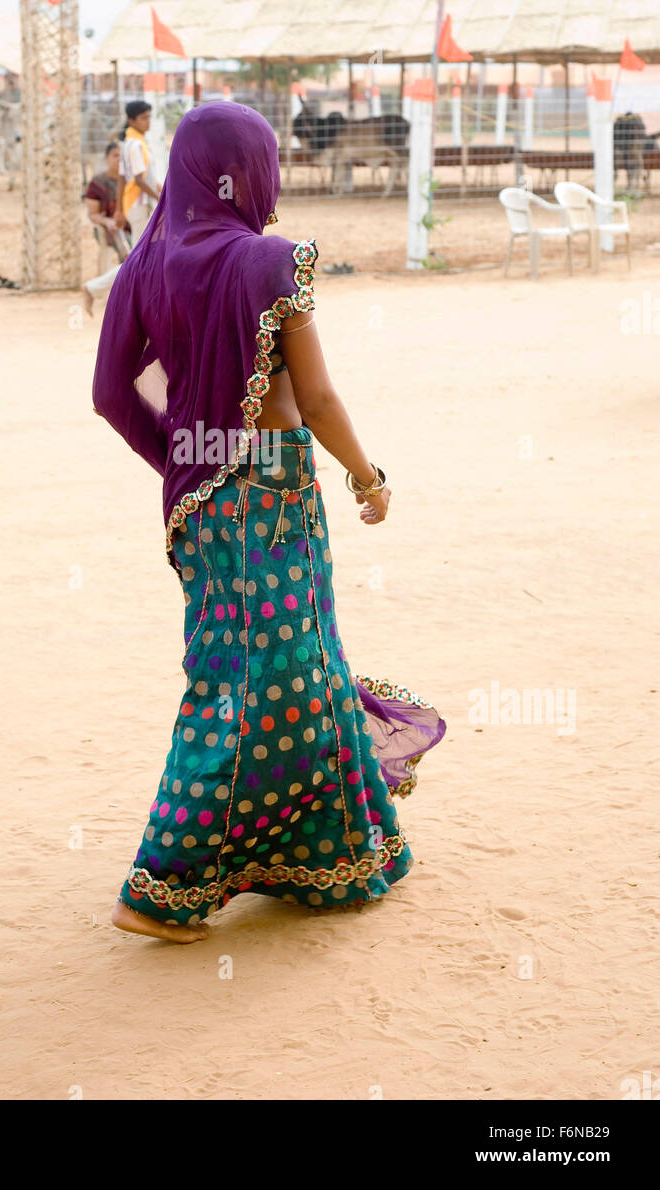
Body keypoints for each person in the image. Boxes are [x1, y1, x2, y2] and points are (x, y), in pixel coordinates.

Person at [92, 101, 445, 943]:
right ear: (246, 171)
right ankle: (161, 891)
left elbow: (112, 395)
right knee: (250, 686)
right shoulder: (265, 261)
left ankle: (325, 855)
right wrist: (369, 478)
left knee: (291, 676)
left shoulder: (148, 263)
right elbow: (315, 397)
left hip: (202, 510)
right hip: (278, 497)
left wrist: (190, 461)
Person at [82, 142, 131, 314]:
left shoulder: (130, 180)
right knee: (132, 259)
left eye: (121, 156)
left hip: (131, 228)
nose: (119, 160)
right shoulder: (98, 182)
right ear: (107, 158)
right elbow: (93, 214)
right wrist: (107, 222)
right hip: (110, 229)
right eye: (115, 156)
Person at [115, 99, 161, 245]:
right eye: (143, 118)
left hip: (135, 203)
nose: (148, 121)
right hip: (138, 203)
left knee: (143, 246)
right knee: (140, 248)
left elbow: (122, 178)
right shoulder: (136, 145)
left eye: (149, 117)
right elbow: (139, 181)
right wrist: (159, 198)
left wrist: (119, 209)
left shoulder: (131, 142)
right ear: (131, 121)